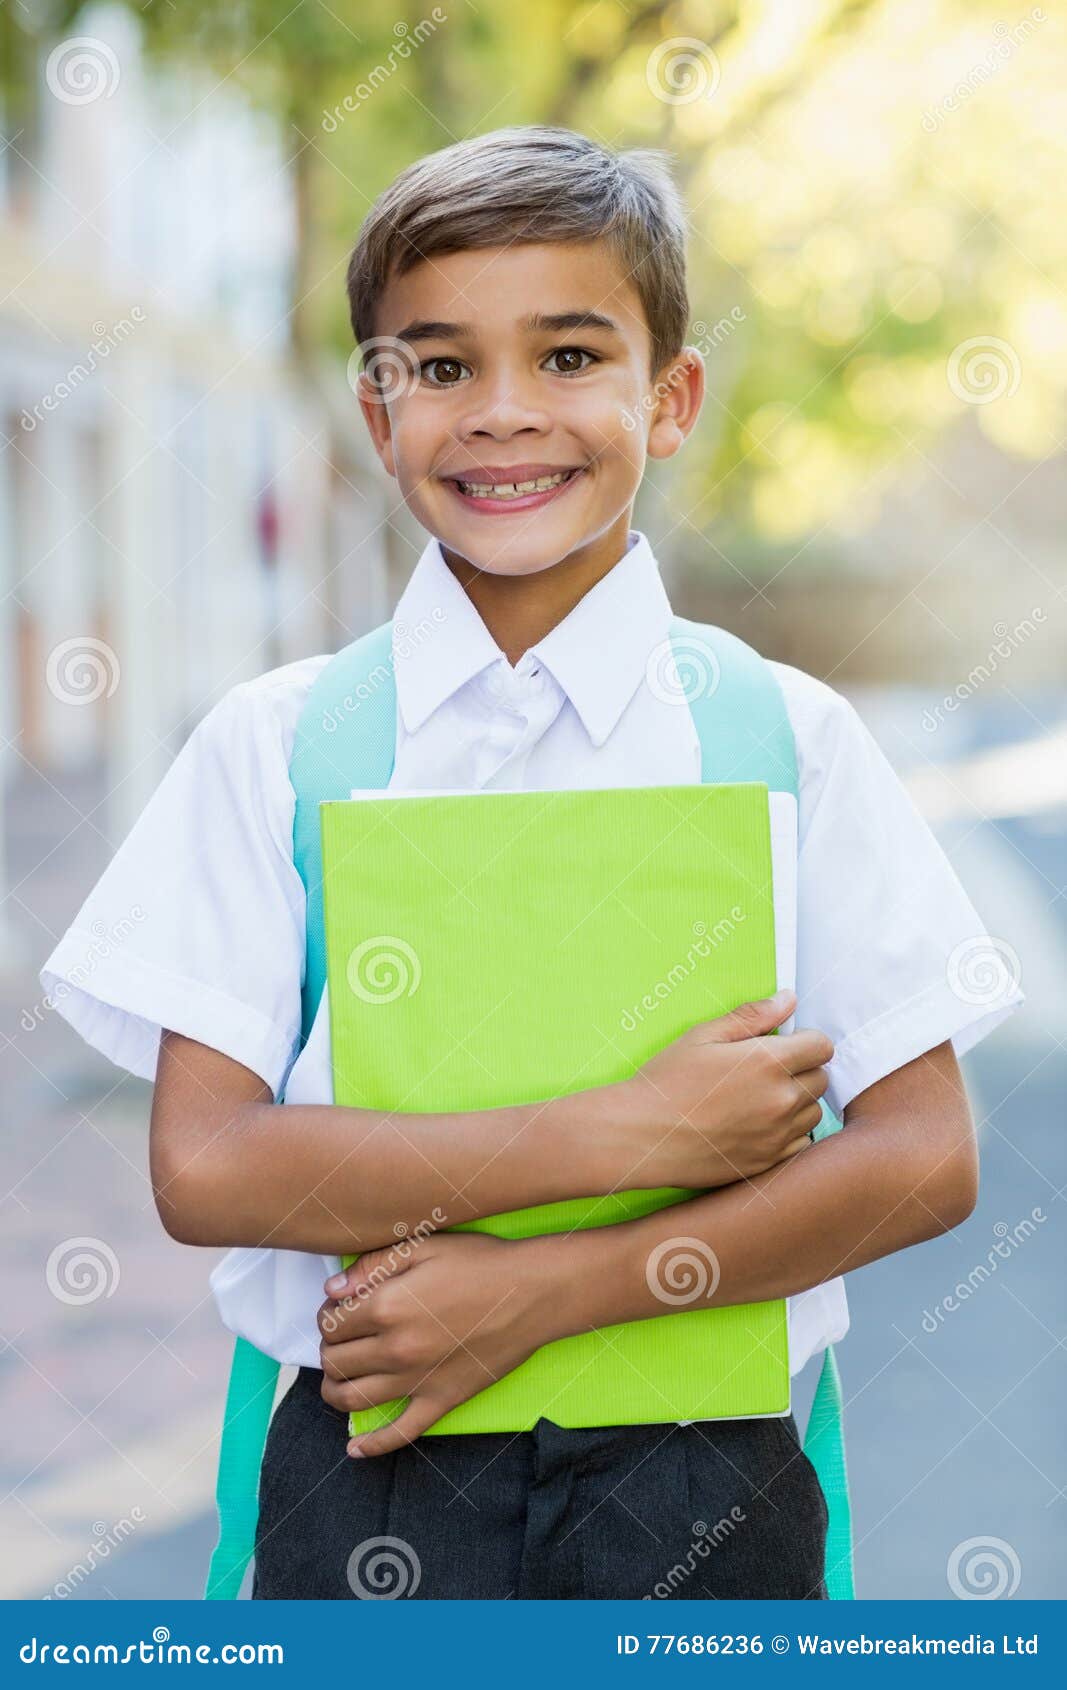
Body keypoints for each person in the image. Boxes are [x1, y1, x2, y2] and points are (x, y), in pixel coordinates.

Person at [41, 126, 1023, 1601]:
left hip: (712, 1477)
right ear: (379, 411)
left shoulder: (782, 738)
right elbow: (207, 1161)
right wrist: (629, 1131)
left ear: (671, 396)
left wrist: (541, 1291)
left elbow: (925, 1152)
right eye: (438, 366)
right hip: (366, 1459)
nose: (504, 414)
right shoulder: (284, 744)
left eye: (570, 357)